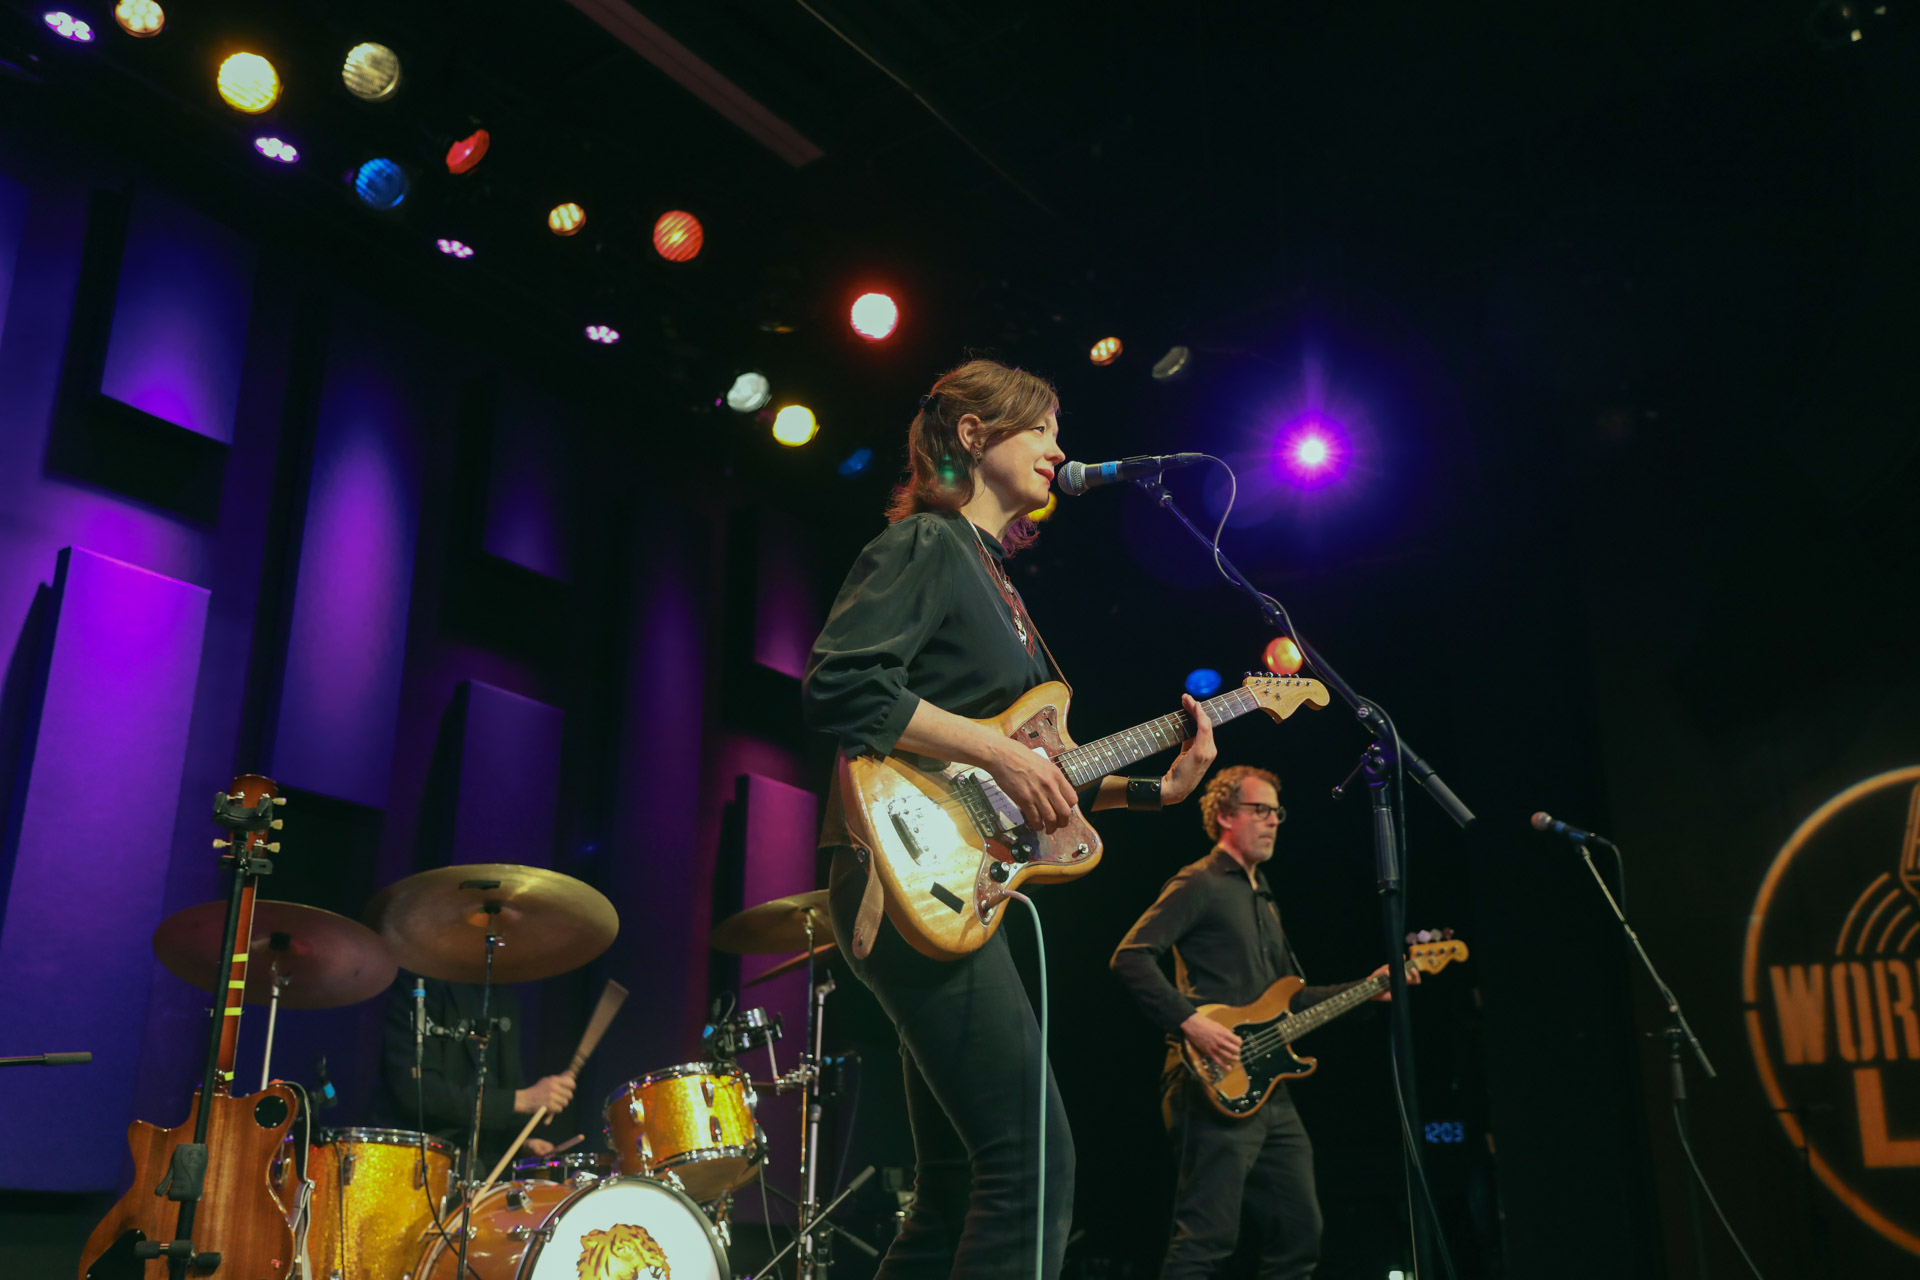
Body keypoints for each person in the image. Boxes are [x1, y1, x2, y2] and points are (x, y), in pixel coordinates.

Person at [804, 358, 1218, 1280]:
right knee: (1032, 1166)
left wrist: (1159, 792)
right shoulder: (927, 543)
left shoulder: (995, 580)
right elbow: (840, 686)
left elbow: (1035, 779)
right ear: (973, 435)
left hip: (958, 879)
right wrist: (998, 755)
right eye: (1041, 428)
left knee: (953, 1193)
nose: (1059, 450)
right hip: (906, 872)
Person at [1110, 765, 1406, 1280]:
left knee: (1300, 1236)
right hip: (1210, 1080)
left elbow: (1290, 998)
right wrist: (1190, 1022)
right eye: (1261, 810)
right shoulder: (1199, 881)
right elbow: (1130, 957)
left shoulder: (1262, 894)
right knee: (1207, 1240)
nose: (1273, 821)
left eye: (1277, 812)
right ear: (1226, 815)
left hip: (1270, 1090)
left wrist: (1369, 986)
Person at [376, 975, 577, 1174]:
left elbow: (508, 1082)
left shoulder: (503, 996)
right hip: (425, 1159)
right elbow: (418, 1093)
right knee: (471, 1169)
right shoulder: (421, 983)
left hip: (487, 1160)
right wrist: (520, 1101)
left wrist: (524, 1141)